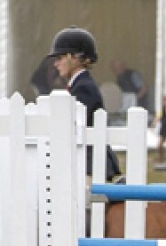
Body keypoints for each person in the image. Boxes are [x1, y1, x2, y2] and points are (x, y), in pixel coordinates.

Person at [47, 26, 120, 179]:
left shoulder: (83, 88)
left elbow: (74, 128)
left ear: (74, 58)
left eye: (59, 58)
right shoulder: (79, 84)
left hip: (91, 165)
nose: (56, 64)